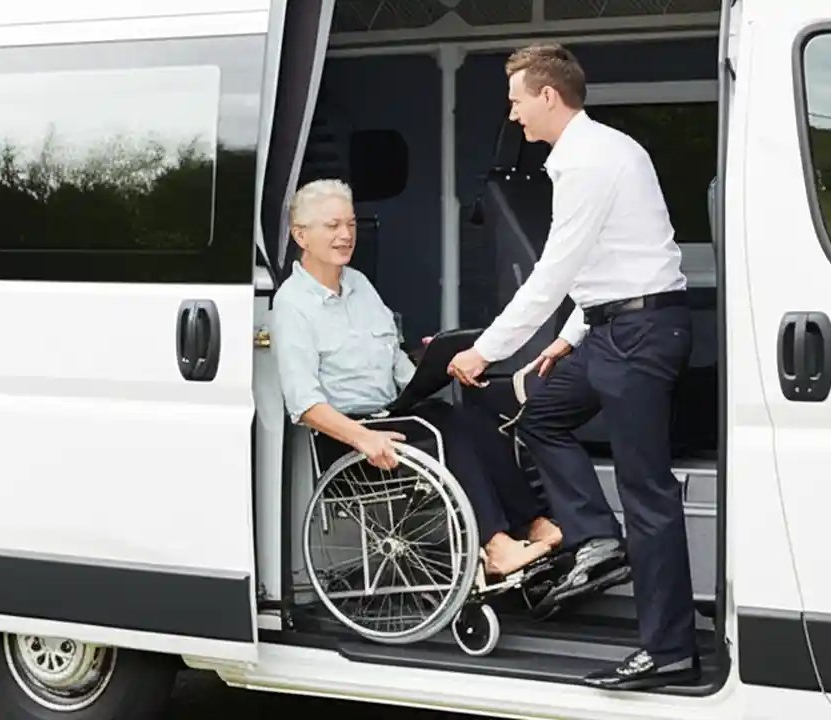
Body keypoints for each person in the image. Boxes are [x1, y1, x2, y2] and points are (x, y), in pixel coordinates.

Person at [446, 44, 699, 690]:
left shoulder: (584, 163)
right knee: (542, 415)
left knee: (649, 494)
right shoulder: (608, 150)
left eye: (517, 99)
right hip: (617, 327)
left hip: (640, 334)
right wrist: (568, 338)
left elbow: (555, 270)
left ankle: (668, 652)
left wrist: (487, 350)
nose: (513, 113)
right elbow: (612, 260)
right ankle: (595, 536)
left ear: (548, 97)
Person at [271, 178, 562, 577]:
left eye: (352, 224)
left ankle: (531, 523)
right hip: (352, 436)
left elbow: (395, 362)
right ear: (300, 235)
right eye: (333, 226)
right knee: (450, 430)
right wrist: (364, 438)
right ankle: (496, 546)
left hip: (394, 411)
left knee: (476, 415)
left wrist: (427, 376)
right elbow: (303, 404)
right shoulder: (292, 306)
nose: (346, 235)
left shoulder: (360, 285)